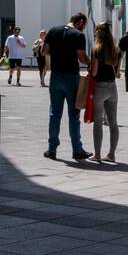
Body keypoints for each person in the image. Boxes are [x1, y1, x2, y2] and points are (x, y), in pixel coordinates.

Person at [42, 11, 91, 161]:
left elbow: (44, 51)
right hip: (71, 77)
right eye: (84, 25)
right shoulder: (78, 35)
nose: (83, 29)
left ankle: (52, 149)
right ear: (81, 22)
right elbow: (82, 58)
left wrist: (58, 54)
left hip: (56, 76)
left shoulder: (53, 30)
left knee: (54, 113)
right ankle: (77, 150)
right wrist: (91, 63)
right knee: (74, 115)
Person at [89, 21, 121, 163]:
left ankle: (97, 155)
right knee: (113, 123)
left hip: (100, 87)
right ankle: (111, 154)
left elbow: (94, 72)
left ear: (98, 33)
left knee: (98, 123)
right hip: (112, 87)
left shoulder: (97, 49)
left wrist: (90, 69)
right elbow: (116, 70)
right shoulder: (114, 48)